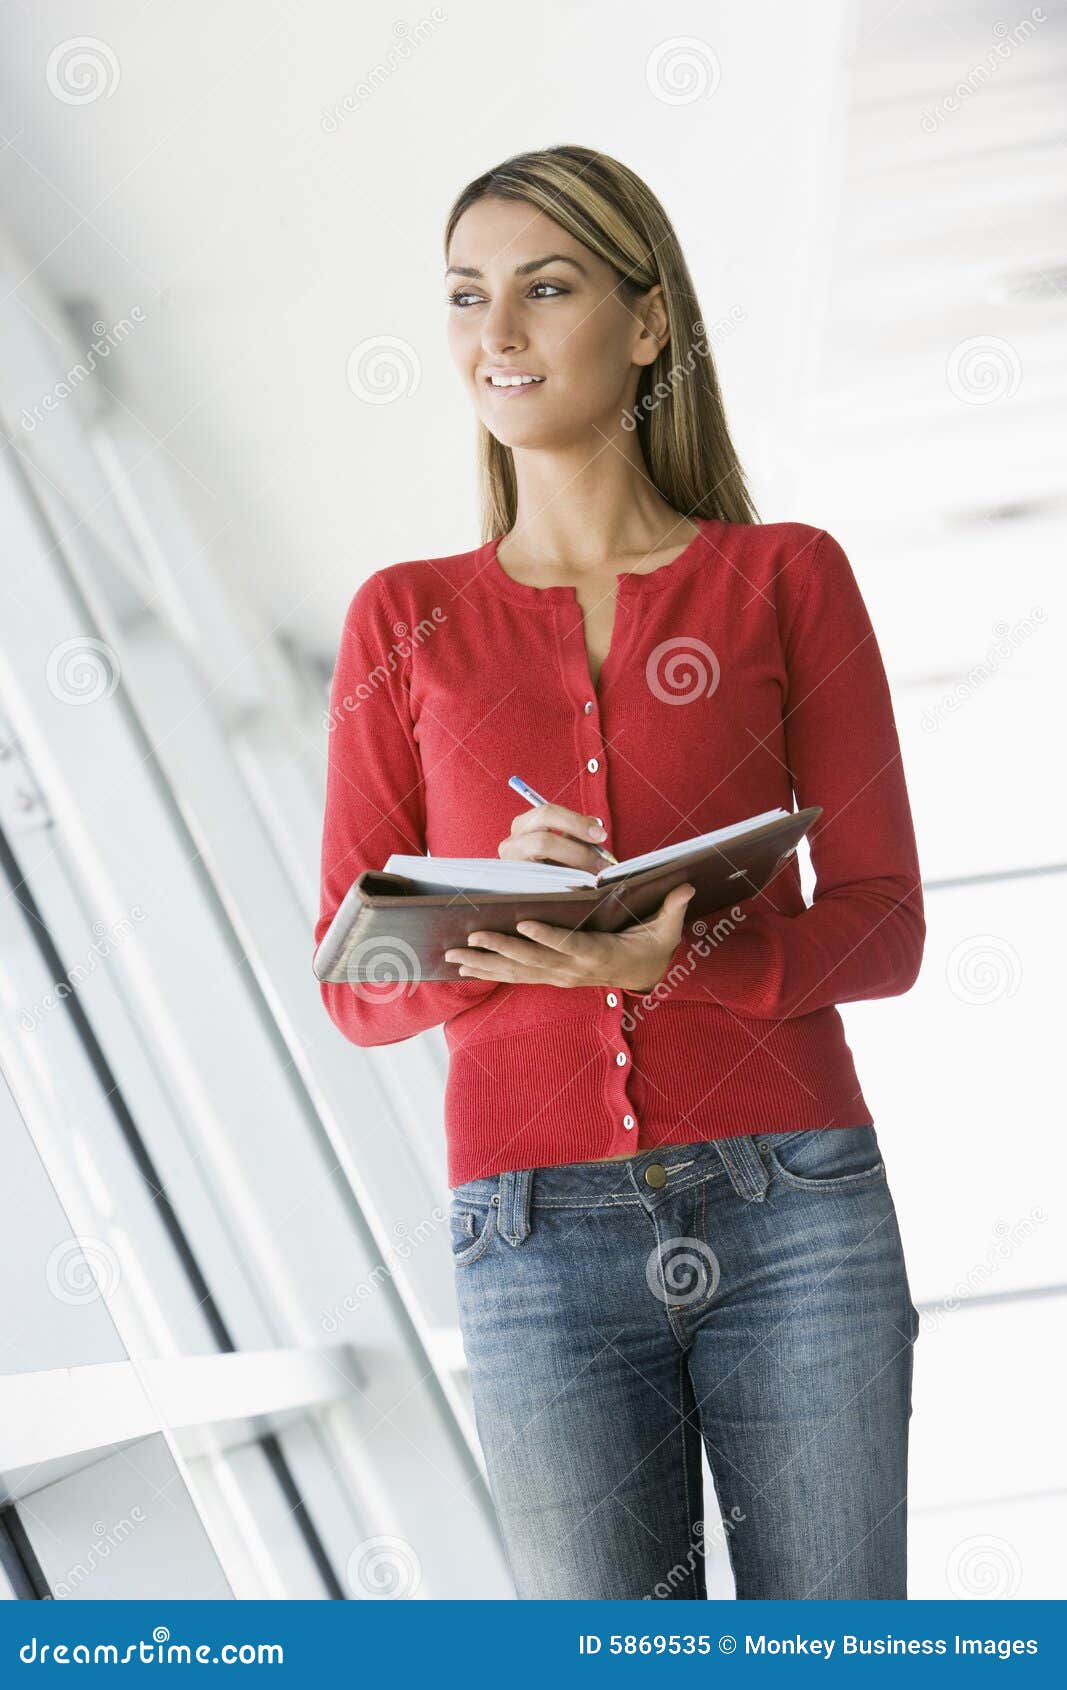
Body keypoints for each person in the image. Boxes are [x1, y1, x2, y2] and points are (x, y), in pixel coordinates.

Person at [314, 144, 925, 1600]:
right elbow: (353, 993)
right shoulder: (403, 619)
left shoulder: (786, 577)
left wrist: (694, 958)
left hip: (799, 1209)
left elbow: (886, 924)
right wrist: (489, 903)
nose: (496, 336)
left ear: (648, 324)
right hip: (531, 1239)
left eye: (545, 288)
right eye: (466, 297)